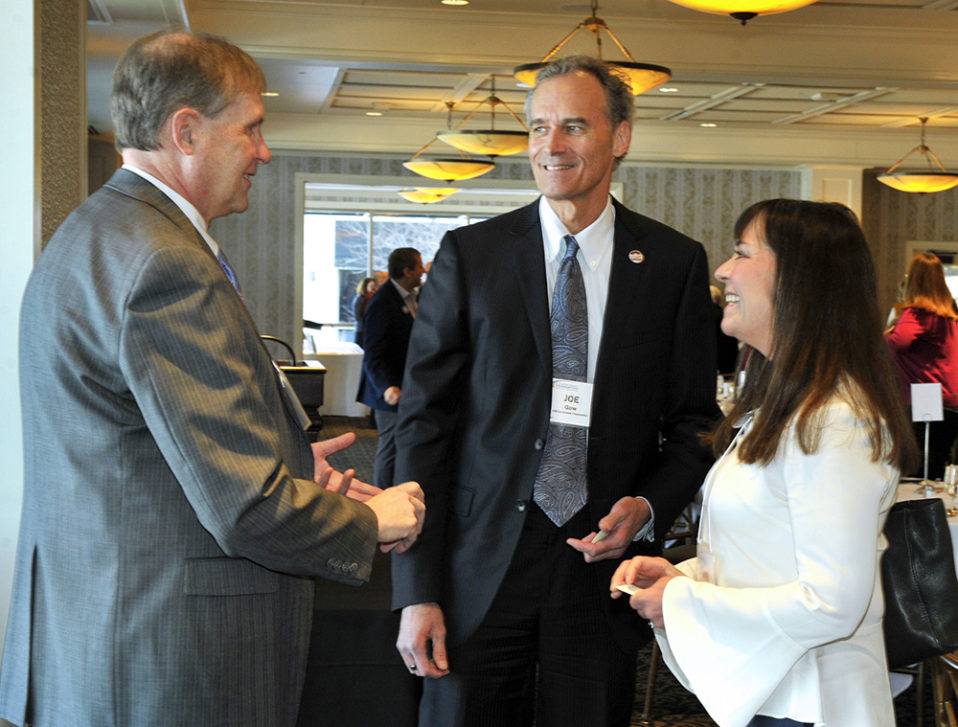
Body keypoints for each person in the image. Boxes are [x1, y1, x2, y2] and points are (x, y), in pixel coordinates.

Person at [0, 30, 425, 727]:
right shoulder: (166, 263)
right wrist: (372, 518)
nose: (263, 151)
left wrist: (287, 462)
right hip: (163, 658)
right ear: (187, 131)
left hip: (104, 638)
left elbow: (131, 446)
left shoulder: (97, 229)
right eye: (252, 128)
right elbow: (245, 507)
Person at [392, 55, 719, 727]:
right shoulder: (471, 255)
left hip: (597, 571)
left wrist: (651, 506)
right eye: (538, 127)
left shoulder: (672, 265)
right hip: (477, 566)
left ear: (619, 137)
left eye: (573, 125)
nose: (550, 146)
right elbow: (423, 425)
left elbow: (695, 423)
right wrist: (416, 591)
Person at [611, 199, 918, 727]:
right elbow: (772, 556)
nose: (724, 270)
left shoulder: (835, 419)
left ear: (799, 280)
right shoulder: (793, 407)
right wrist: (683, 578)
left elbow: (832, 603)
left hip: (810, 704)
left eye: (741, 252)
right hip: (778, 697)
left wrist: (683, 602)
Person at [886, 251, 958, 479]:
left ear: (913, 279)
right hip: (952, 402)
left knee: (918, 471)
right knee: (936, 466)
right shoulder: (949, 317)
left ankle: (921, 514)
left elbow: (898, 343)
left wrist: (883, 337)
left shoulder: (916, 313)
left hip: (926, 400)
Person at [357, 247, 425, 487]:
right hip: (389, 391)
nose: (423, 271)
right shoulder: (383, 301)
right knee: (390, 448)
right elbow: (373, 353)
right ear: (407, 271)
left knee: (400, 446)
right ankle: (382, 498)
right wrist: (387, 387)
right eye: (419, 266)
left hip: (405, 387)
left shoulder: (411, 297)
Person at [352, 275, 379, 347]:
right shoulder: (359, 299)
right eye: (371, 286)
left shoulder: (374, 298)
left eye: (375, 286)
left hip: (371, 331)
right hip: (362, 331)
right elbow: (357, 317)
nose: (374, 288)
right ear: (365, 287)